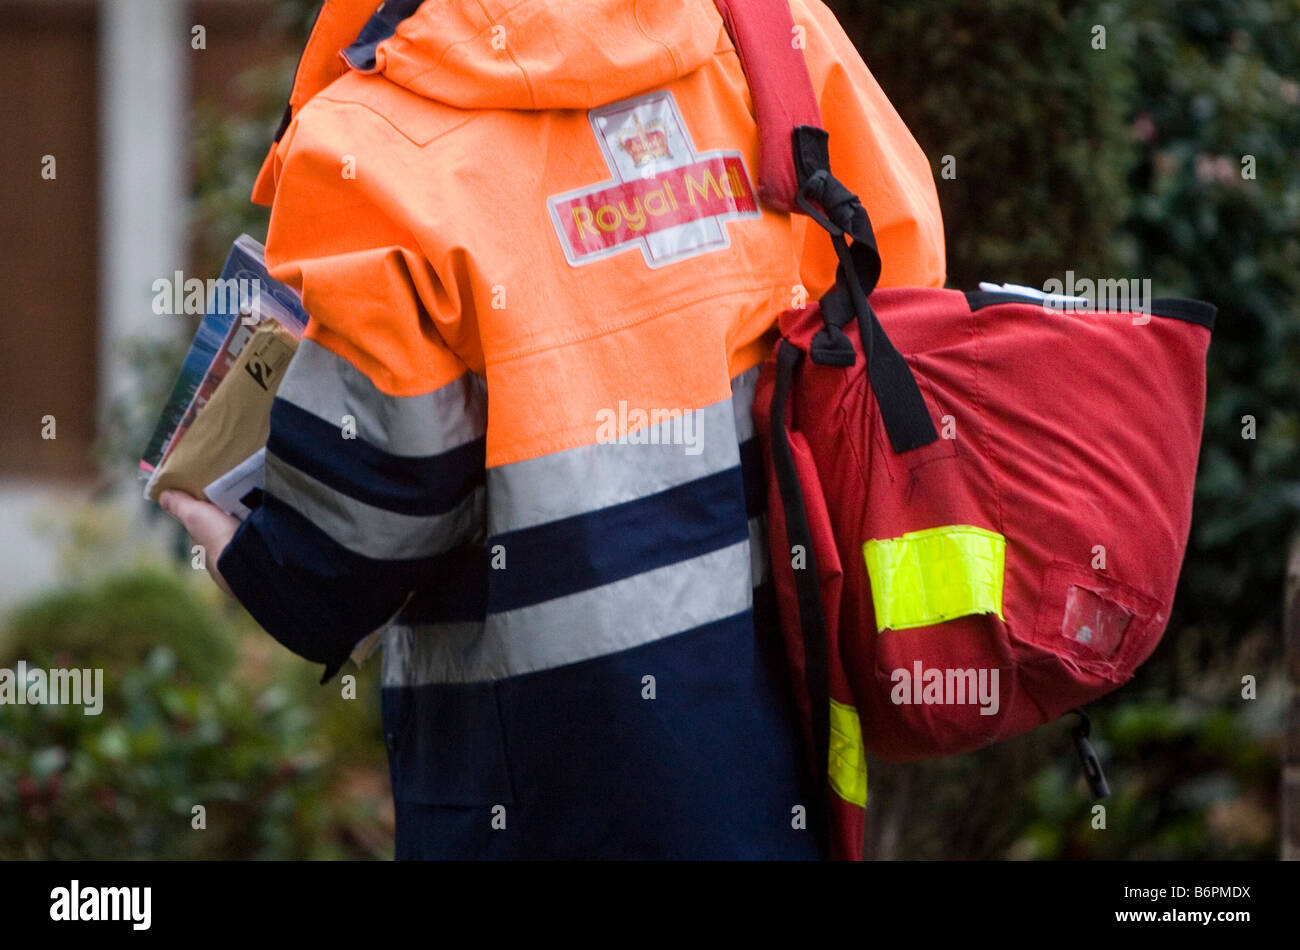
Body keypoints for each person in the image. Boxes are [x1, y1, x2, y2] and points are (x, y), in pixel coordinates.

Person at [161, 0, 945, 859]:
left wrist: (250, 557)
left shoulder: (371, 139)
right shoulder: (773, 31)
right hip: (778, 754)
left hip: (537, 788)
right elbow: (898, 308)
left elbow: (366, 532)